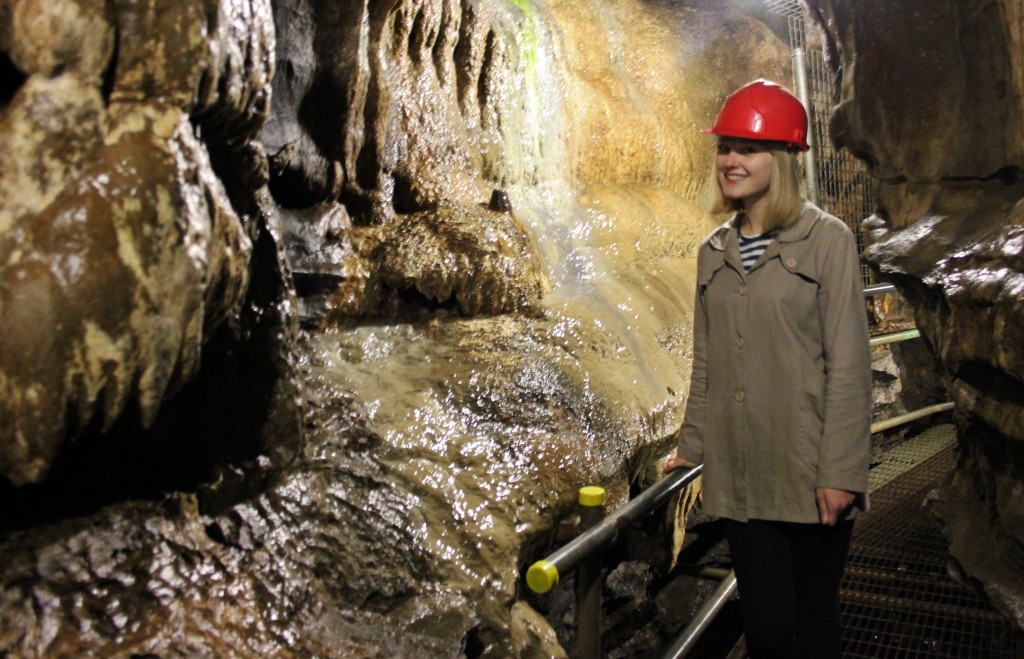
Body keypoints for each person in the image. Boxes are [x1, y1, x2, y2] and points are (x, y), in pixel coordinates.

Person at [663, 79, 872, 658]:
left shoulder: (827, 241)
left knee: (812, 628)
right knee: (768, 629)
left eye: (747, 148)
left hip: (809, 475)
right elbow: (706, 362)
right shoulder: (714, 251)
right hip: (742, 477)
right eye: (725, 146)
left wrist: (842, 471)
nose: (731, 160)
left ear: (782, 159)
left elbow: (850, 364)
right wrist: (692, 447)